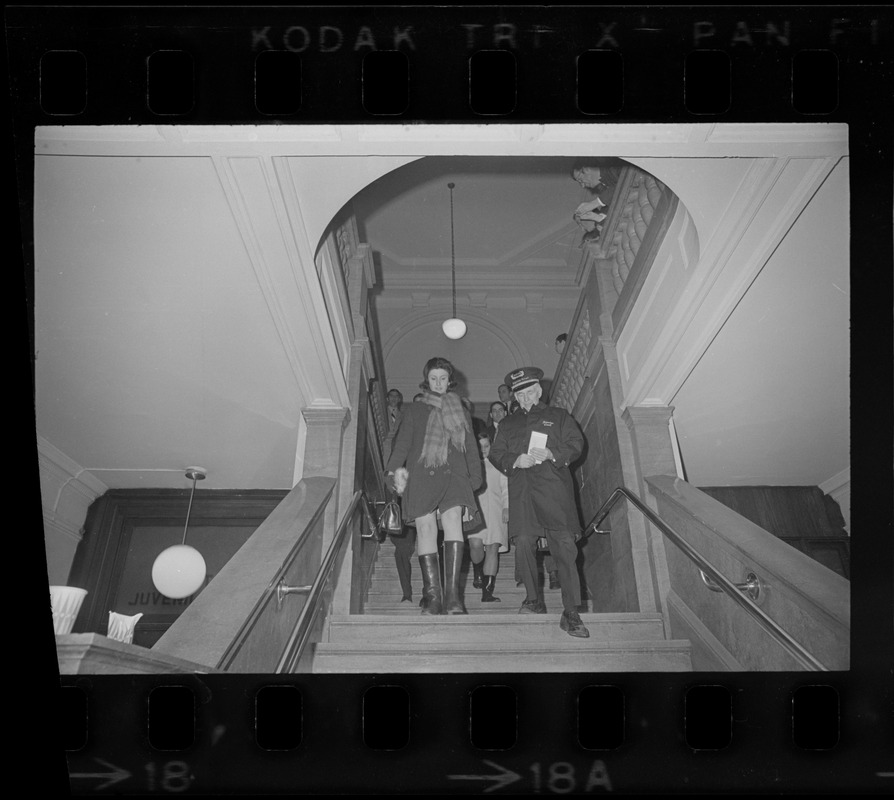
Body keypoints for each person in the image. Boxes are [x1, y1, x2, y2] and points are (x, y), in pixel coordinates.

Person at [489, 366, 589, 638]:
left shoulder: (558, 416)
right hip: (523, 493)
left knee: (565, 548)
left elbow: (576, 443)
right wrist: (514, 460)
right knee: (522, 543)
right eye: (519, 394)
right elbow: (496, 454)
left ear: (539, 390)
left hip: (554, 491)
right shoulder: (508, 424)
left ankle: (571, 612)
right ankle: (533, 600)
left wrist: (551, 453)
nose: (524, 398)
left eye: (529, 391)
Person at [385, 357, 483, 615]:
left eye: (442, 378)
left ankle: (453, 598)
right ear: (426, 381)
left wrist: (475, 479)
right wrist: (391, 472)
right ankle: (433, 597)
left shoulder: (461, 410)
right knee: (426, 530)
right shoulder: (414, 410)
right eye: (433, 378)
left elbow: (471, 448)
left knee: (453, 524)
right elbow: (403, 445)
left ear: (449, 380)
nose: (438, 383)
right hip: (422, 475)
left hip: (455, 476)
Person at [468, 431, 509, 602]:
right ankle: (478, 571)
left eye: (486, 446)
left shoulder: (498, 464)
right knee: (476, 544)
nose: (483, 449)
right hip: (476, 511)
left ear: (491, 446)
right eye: (480, 446)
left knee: (492, 548)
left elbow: (506, 488)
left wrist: (507, 508)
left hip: (496, 510)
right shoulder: (469, 465)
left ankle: (487, 592)